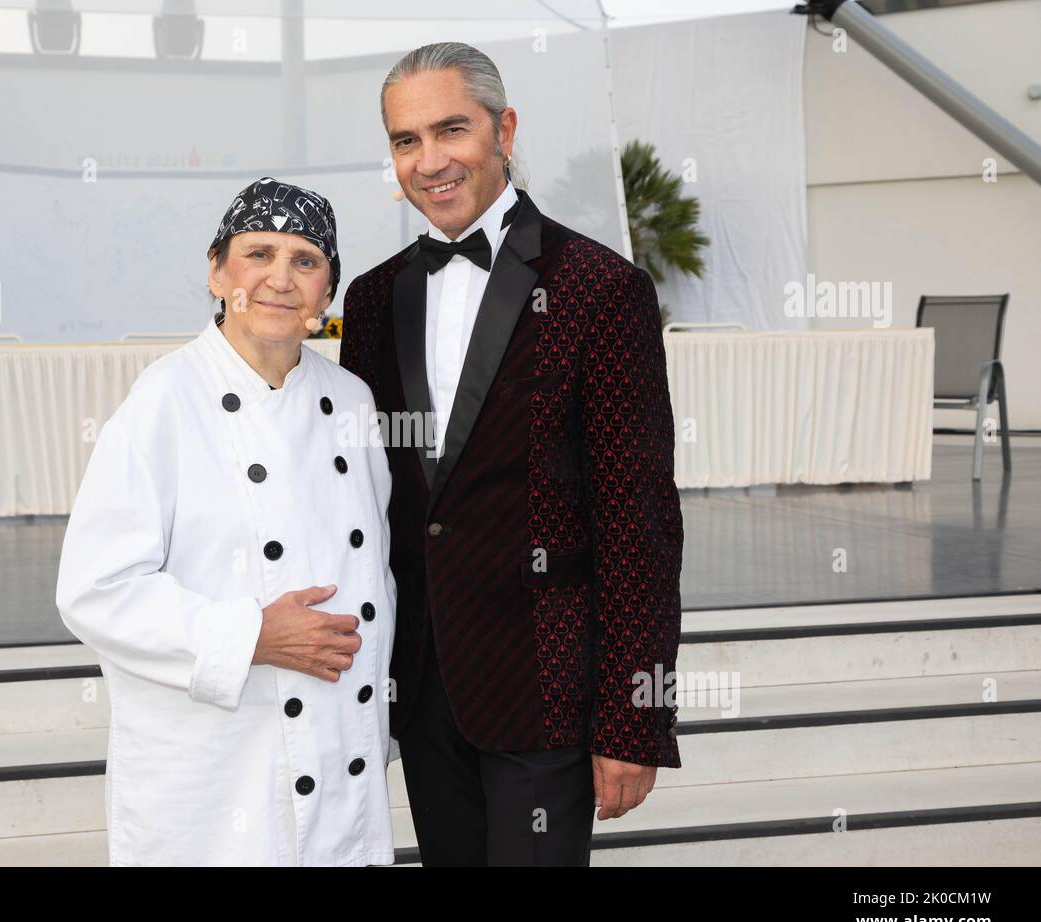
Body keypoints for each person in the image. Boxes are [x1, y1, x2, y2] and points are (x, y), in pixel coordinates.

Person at [339, 42, 684, 866]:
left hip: (549, 694)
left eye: (451, 129)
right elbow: (360, 496)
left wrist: (635, 717)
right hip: (422, 690)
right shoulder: (374, 298)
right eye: (405, 140)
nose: (430, 161)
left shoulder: (601, 289)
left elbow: (639, 522)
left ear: (505, 129)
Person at [56, 177, 397, 866]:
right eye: (258, 254)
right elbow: (95, 589)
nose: (281, 278)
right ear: (218, 271)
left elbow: (378, 575)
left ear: (327, 292)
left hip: (340, 758)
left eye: (306, 261)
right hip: (215, 775)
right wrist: (250, 635)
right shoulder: (165, 399)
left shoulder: (353, 401)